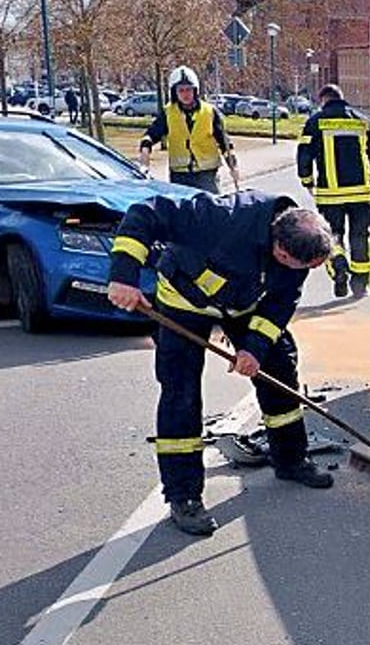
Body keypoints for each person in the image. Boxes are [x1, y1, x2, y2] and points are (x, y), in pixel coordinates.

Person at [107, 190, 335, 537]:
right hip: (184, 303)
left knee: (278, 367)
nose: (303, 272)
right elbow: (145, 213)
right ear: (280, 250)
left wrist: (254, 349)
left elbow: (281, 301)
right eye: (299, 266)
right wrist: (124, 275)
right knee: (181, 393)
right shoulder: (218, 217)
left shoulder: (301, 251)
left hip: (243, 305)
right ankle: (184, 496)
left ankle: (290, 459)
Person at [296, 84, 370, 299]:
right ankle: (360, 284)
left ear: (323, 100)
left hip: (330, 194)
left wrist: (307, 181)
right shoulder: (362, 121)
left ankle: (338, 266)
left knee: (332, 234)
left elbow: (304, 155)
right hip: (361, 192)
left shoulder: (315, 122)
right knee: (360, 236)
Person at [138, 65, 239, 194]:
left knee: (210, 206)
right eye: (181, 90)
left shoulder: (210, 112)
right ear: (174, 92)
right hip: (180, 176)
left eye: (188, 90)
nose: (185, 94)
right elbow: (151, 135)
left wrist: (233, 167)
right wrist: (145, 156)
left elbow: (225, 143)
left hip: (207, 175)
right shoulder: (168, 113)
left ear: (195, 90)